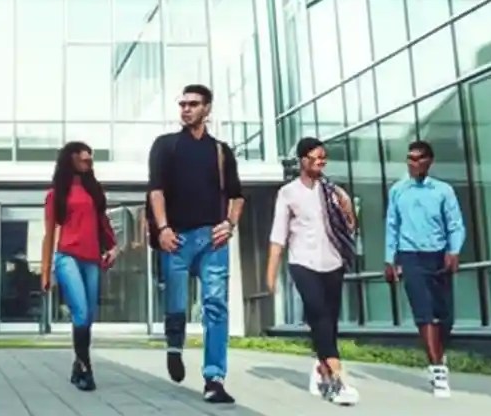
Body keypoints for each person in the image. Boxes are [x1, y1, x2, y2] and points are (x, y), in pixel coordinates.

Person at [147, 84, 245, 404]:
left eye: (193, 104)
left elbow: (237, 196)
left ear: (207, 109)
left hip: (212, 238)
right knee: (176, 304)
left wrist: (229, 224)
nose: (186, 109)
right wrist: (163, 228)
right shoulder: (166, 145)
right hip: (175, 237)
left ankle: (214, 378)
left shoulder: (221, 151)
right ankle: (174, 346)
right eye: (183, 104)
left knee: (215, 305)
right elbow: (156, 190)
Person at [266, 137, 360, 406]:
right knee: (318, 313)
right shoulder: (288, 193)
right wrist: (271, 274)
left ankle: (321, 369)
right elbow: (278, 235)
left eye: (323, 158)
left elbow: (350, 227)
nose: (321, 162)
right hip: (303, 262)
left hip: (332, 261)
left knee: (328, 320)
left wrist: (347, 207)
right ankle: (338, 377)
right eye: (316, 157)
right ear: (302, 160)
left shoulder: (333, 191)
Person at [384, 139, 466, 399]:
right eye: (409, 158)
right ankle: (438, 369)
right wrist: (389, 259)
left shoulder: (443, 191)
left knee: (445, 316)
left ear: (429, 161)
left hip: (438, 256)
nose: (413, 163)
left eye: (419, 158)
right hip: (410, 256)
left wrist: (453, 251)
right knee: (424, 312)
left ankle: (438, 353)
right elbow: (392, 226)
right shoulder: (398, 191)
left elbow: (455, 224)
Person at [40, 141, 119, 392]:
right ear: (71, 158)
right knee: (81, 313)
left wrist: (113, 248)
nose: (88, 161)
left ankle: (78, 364)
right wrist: (46, 271)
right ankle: (86, 368)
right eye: (84, 158)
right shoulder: (56, 194)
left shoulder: (94, 191)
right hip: (67, 256)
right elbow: (49, 233)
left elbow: (103, 223)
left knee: (89, 316)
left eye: (90, 159)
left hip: (92, 258)